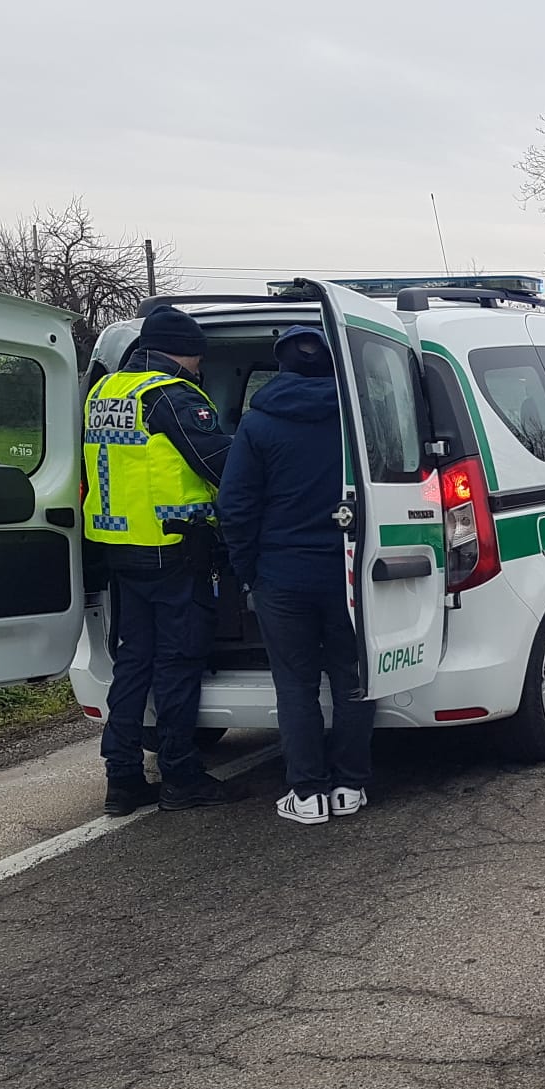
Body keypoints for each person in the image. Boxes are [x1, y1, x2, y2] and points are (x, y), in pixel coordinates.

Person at [84, 305, 246, 815]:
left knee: (134, 661)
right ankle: (180, 774)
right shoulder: (169, 395)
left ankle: (123, 778)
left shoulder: (105, 392)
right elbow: (220, 464)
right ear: (188, 351)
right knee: (178, 663)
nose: (199, 368)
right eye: (198, 358)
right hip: (171, 549)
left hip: (119, 547)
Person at [219, 327, 375, 826]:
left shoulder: (257, 424)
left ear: (280, 367)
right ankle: (350, 785)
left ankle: (307, 792)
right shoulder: (359, 421)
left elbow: (235, 505)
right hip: (350, 571)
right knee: (352, 680)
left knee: (296, 684)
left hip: (281, 574)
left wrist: (249, 571)